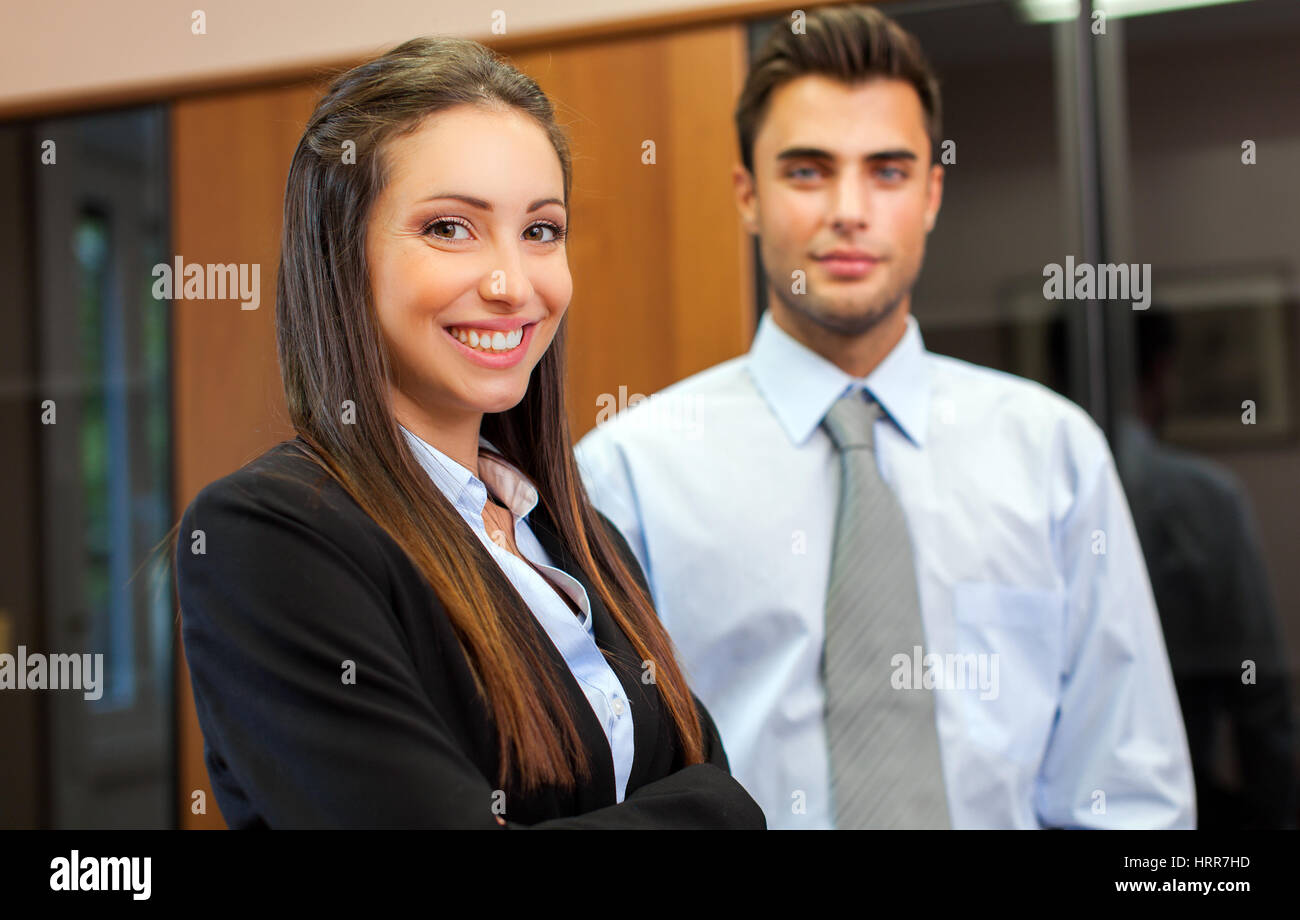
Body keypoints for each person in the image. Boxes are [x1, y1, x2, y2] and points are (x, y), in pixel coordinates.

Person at [575, 5, 1194, 829]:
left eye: (888, 171)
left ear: (932, 194)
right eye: (807, 171)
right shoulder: (627, 474)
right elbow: (604, 781)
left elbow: (1127, 794)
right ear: (747, 195)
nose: (850, 210)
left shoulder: (1053, 452)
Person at [174, 35, 765, 830]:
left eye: (541, 231)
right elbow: (723, 797)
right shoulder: (272, 537)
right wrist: (714, 813)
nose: (512, 284)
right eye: (450, 228)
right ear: (342, 256)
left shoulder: (574, 536)